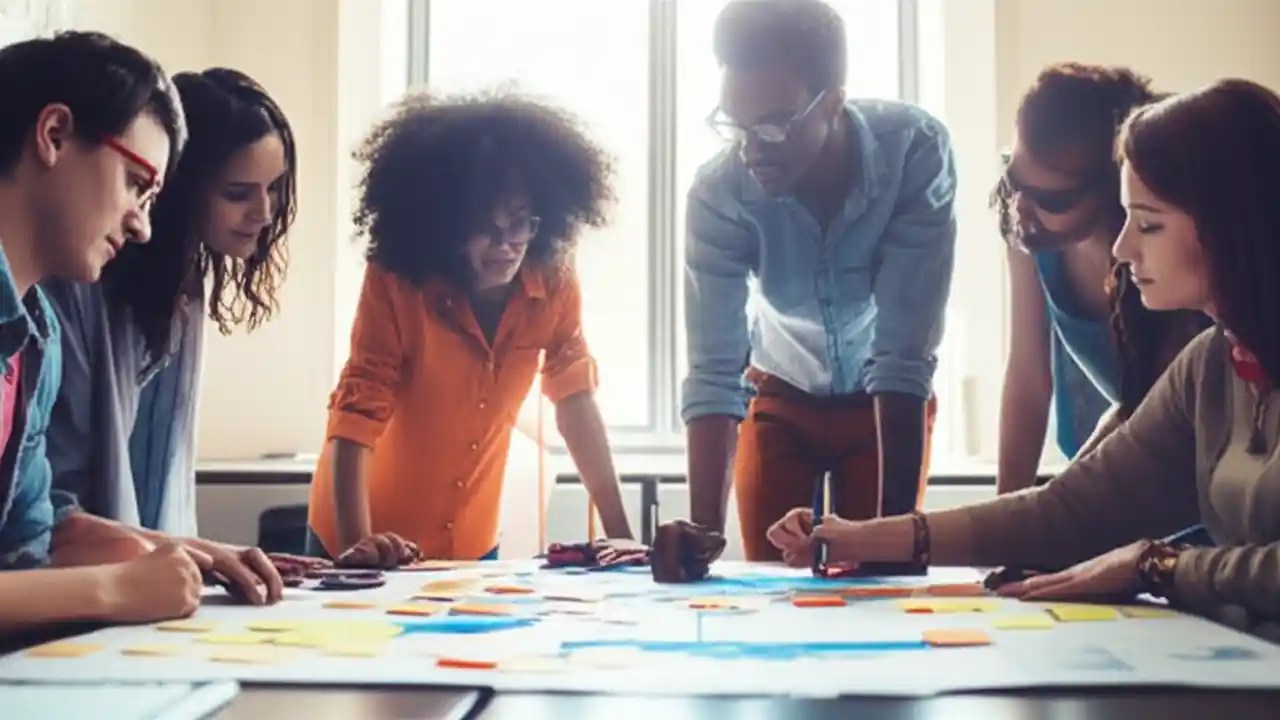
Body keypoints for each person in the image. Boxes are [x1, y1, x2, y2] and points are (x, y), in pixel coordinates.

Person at [768, 79, 1280, 641]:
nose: (1122, 247)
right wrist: (865, 536)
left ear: (1234, 224)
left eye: (1150, 224)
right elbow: (1070, 511)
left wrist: (1157, 566)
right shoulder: (1209, 366)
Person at [306, 90, 633, 566]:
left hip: (471, 542)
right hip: (364, 530)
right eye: (485, 226)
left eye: (520, 224)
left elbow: (575, 399)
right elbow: (359, 409)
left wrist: (623, 538)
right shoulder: (397, 279)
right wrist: (360, 545)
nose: (506, 245)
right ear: (444, 224)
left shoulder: (554, 277)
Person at [682, 0, 956, 560]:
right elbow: (714, 369)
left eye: (773, 125)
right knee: (769, 579)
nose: (752, 149)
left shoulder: (915, 151)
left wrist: (894, 547)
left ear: (832, 104)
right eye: (736, 125)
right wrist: (700, 538)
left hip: (883, 400)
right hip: (779, 390)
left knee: (877, 575)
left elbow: (904, 353)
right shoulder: (718, 193)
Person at [42, 67, 307, 603]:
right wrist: (191, 557)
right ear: (179, 190)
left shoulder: (185, 290)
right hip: (72, 587)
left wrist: (205, 559)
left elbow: (160, 488)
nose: (264, 213)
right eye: (238, 193)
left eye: (274, 189)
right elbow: (53, 501)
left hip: (139, 587)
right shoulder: (81, 285)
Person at [0, 31, 205, 633]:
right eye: (137, 183)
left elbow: (25, 554)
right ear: (55, 134)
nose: (142, 227)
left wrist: (148, 552)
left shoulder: (39, 341)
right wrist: (113, 588)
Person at [994, 63, 1208, 494]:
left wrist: (1047, 510)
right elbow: (1027, 379)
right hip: (1099, 459)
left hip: (1186, 462)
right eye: (1014, 180)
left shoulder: (1162, 253)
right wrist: (1004, 510)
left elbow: (1147, 411)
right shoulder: (1029, 230)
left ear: (1115, 187)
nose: (1021, 209)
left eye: (1052, 199)